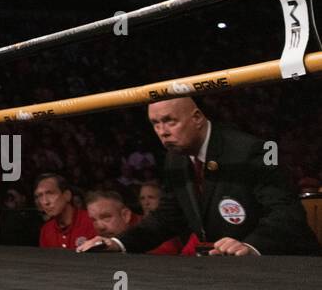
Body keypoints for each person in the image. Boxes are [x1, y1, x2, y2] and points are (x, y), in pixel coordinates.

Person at [79, 98, 320, 257]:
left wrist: (250, 245)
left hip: (287, 265)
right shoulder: (176, 158)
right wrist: (118, 243)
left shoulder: (247, 150)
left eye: (170, 121)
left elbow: (287, 214)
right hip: (230, 272)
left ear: (196, 118)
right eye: (155, 123)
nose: (162, 131)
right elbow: (167, 217)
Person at [35, 174, 96, 250]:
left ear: (67, 195)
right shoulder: (46, 230)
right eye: (40, 196)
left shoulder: (92, 221)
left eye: (50, 193)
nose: (45, 202)